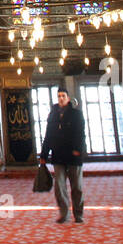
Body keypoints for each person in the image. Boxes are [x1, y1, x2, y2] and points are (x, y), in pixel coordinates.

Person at [39, 89, 86, 223]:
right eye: (59, 96)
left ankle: (78, 214)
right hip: (58, 155)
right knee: (59, 187)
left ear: (68, 98)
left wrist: (79, 149)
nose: (60, 98)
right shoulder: (53, 115)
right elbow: (48, 136)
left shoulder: (76, 114)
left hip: (73, 155)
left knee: (76, 186)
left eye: (63, 96)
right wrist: (44, 154)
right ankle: (64, 214)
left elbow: (81, 134)